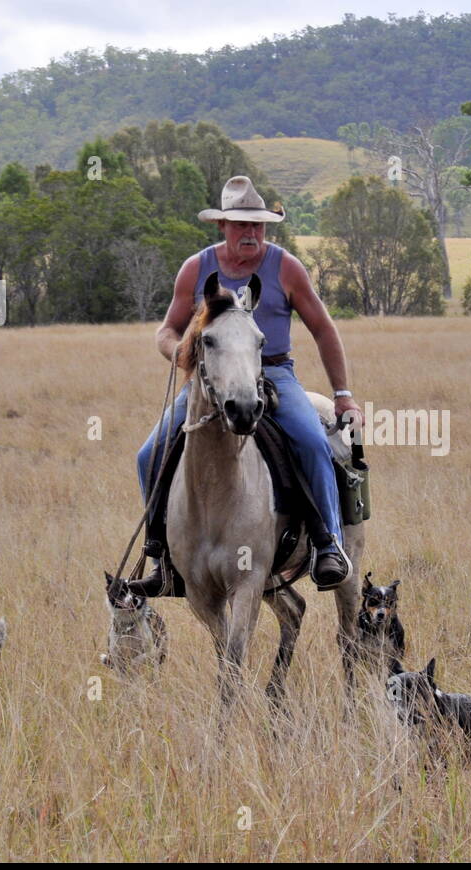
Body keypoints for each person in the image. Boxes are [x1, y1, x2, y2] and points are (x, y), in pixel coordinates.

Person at [131, 176, 362, 597]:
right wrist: (186, 354)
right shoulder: (196, 268)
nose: (251, 233)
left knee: (312, 441)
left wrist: (342, 393)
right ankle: (162, 556)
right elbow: (167, 330)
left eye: (258, 225)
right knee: (149, 454)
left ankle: (328, 545)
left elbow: (324, 330)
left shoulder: (286, 267)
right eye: (241, 225)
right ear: (222, 225)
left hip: (273, 373)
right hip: (212, 380)